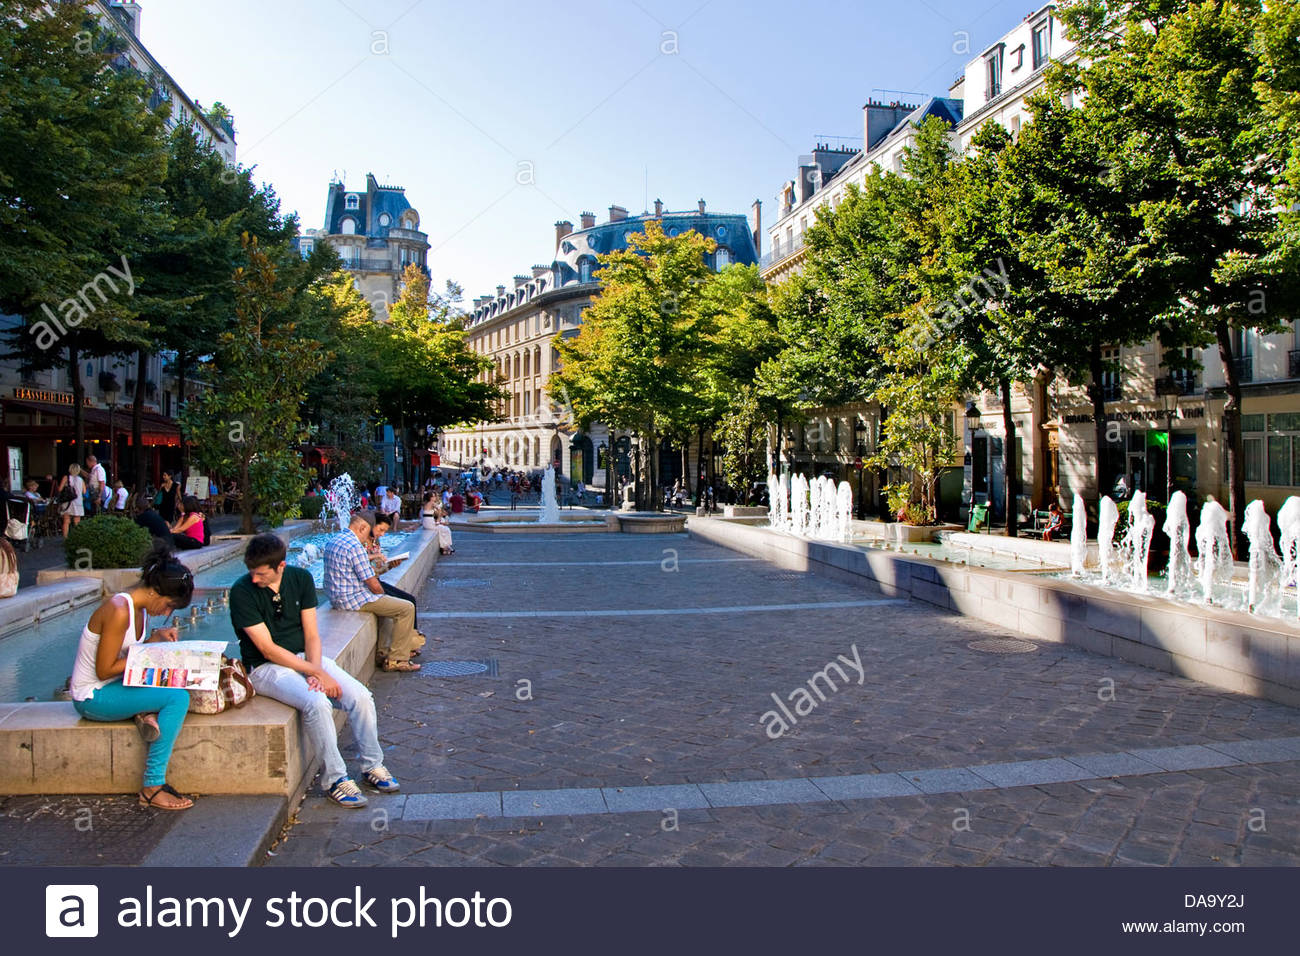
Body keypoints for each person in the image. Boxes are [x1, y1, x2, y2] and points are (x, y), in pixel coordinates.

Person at [231, 534, 401, 808]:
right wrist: (316, 672)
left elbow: (312, 634)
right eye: (251, 572)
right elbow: (267, 650)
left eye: (261, 573)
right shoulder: (242, 591)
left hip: (302, 657)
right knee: (316, 702)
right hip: (265, 668)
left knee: (360, 697)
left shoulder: (300, 579)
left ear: (281, 566)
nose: (254, 579)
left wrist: (315, 669)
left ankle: (373, 765)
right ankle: (335, 778)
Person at [70, 542, 195, 810]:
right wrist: (149, 655)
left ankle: (145, 712)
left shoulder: (138, 608)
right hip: (93, 695)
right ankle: (152, 785)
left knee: (181, 680)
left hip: (115, 685)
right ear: (155, 592)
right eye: (168, 605)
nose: (166, 613)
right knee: (177, 698)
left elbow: (127, 653)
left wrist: (155, 640)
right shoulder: (119, 610)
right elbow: (104, 669)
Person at [324, 512, 423, 672]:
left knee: (390, 606)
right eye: (367, 532)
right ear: (362, 527)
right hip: (353, 599)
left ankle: (383, 653)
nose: (366, 539)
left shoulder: (335, 540)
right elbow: (373, 585)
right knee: (406, 608)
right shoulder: (354, 546)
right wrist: (383, 593)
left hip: (338, 597)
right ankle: (397, 659)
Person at [56, 463, 86, 537]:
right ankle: (76, 538)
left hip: (68, 502)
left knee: (66, 521)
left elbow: (60, 489)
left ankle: (65, 539)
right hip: (78, 502)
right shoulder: (81, 480)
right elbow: (84, 491)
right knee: (77, 521)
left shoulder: (66, 477)